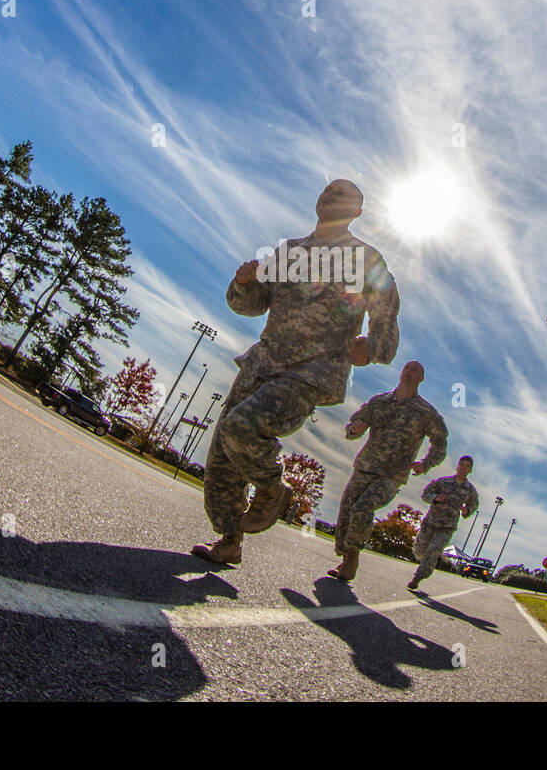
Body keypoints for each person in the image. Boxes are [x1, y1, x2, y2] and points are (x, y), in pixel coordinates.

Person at [191, 179, 400, 565]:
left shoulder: (367, 260)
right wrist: (243, 283)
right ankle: (229, 539)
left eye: (342, 196)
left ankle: (273, 487)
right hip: (264, 360)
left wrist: (371, 349)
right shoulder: (288, 251)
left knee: (242, 427)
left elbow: (386, 317)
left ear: (356, 212)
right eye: (327, 191)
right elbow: (252, 305)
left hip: (313, 371)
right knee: (223, 450)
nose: (330, 197)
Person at [326, 360, 447, 581]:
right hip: (365, 466)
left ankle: (352, 558)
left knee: (363, 508)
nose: (410, 372)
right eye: (407, 368)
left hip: (392, 474)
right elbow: (353, 425)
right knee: (346, 512)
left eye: (416, 370)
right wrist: (354, 428)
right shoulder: (379, 401)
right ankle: (345, 555)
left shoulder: (426, 412)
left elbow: (440, 443)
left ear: (421, 378)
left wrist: (426, 463)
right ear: (401, 373)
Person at [408, 456, 479, 590]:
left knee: (434, 550)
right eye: (461, 464)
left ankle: (417, 577)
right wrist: (435, 498)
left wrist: (466, 510)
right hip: (430, 522)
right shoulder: (443, 482)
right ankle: (425, 563)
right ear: (457, 466)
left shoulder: (470, 490)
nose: (463, 468)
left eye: (467, 466)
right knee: (419, 551)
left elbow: (474, 505)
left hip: (447, 527)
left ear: (470, 470)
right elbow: (425, 494)